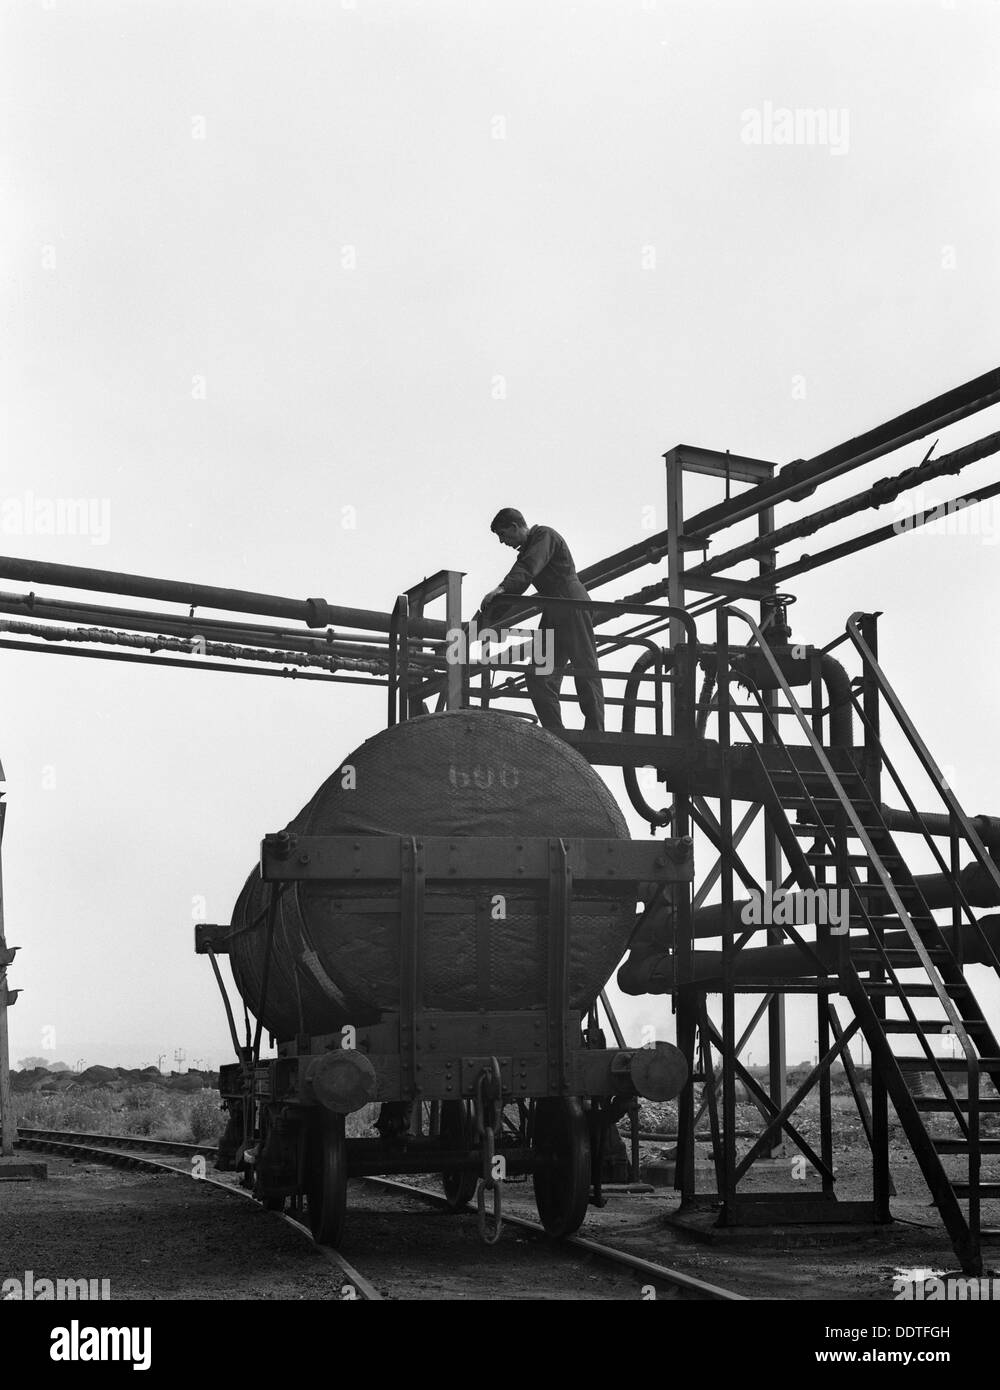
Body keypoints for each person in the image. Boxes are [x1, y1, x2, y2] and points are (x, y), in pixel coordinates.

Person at [481, 508, 604, 731]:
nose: (502, 541)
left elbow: (527, 569)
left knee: (584, 668)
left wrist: (502, 588)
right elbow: (521, 577)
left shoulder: (544, 536)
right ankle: (556, 734)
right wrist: (485, 618)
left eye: (503, 535)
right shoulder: (530, 549)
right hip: (555, 611)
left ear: (514, 527)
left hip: (572, 605)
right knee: (538, 676)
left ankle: (596, 730)